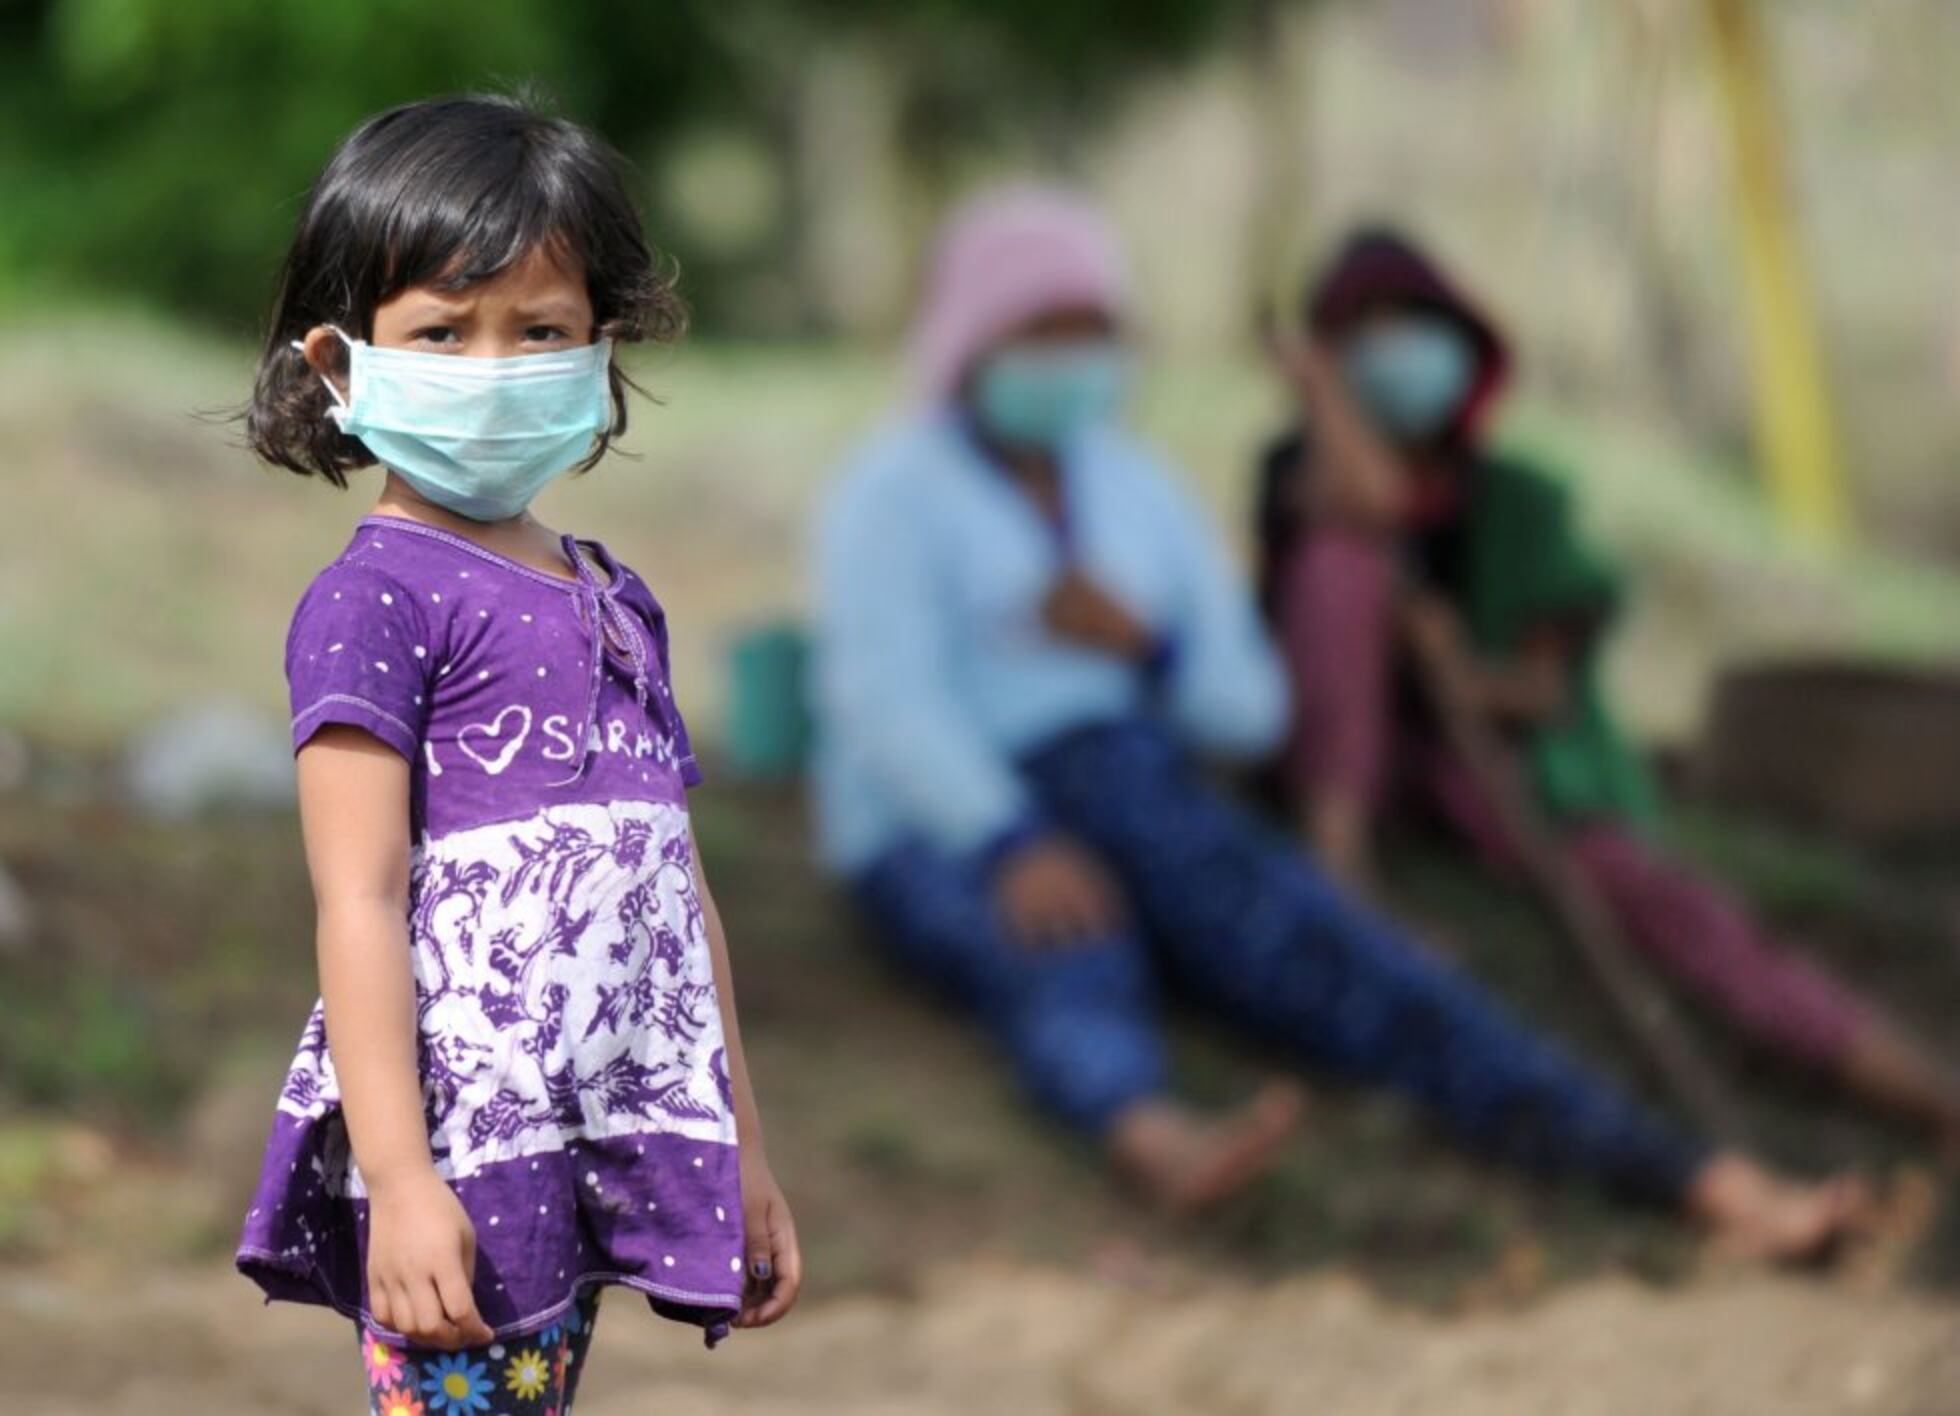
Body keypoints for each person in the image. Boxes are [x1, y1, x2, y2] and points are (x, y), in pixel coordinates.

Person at [810, 185, 1864, 1253]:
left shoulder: (1138, 492)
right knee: (1062, 947)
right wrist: (1007, 841)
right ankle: (1149, 1134)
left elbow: (1250, 706)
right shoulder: (892, 493)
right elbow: (881, 701)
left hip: (1132, 781)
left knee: (1353, 968)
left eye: (1094, 332)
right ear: (975, 337)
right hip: (937, 822)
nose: (1072, 360)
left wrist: (1146, 647)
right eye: (1044, 332)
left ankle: (1694, 1181)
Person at [233, 94, 800, 1413]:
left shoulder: (614, 597)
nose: (493, 369)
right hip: (465, 1157)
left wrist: (742, 1151)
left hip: (593, 1135)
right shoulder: (377, 602)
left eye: (539, 331)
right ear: (341, 362)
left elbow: (680, 891)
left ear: (598, 349)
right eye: (442, 331)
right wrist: (407, 1179)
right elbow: (358, 897)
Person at [1258, 225, 1960, 1154]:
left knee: (1687, 918)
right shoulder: (1298, 478)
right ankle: (1340, 876)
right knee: (1344, 565)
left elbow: (1541, 695)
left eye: (1409, 329)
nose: (1392, 358)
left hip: (1503, 773)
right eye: (1363, 335)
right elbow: (1366, 505)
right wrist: (1319, 396)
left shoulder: (1521, 506)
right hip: (1353, 766)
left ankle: (1918, 1092)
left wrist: (1462, 672)